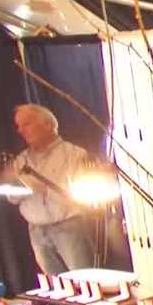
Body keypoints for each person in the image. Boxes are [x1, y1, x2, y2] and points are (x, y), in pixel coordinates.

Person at [9, 104, 97, 275]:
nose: (21, 131)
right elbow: (12, 198)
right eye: (18, 126)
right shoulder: (20, 161)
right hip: (37, 230)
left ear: (47, 124)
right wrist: (23, 187)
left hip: (69, 227)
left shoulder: (75, 154)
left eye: (26, 124)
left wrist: (43, 186)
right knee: (57, 287)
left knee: (87, 281)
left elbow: (86, 193)